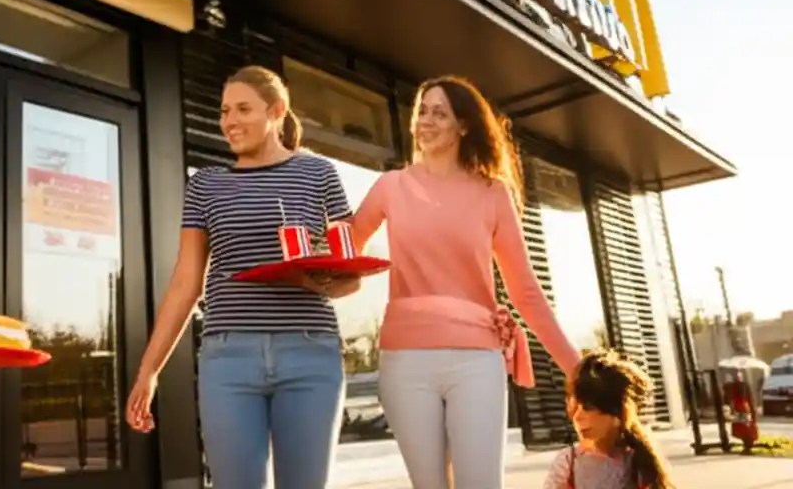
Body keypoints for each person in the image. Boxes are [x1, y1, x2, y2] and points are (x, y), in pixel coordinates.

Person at [125, 65, 359, 489]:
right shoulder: (205, 186)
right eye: (224, 111)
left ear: (276, 111)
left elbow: (350, 273)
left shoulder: (319, 174)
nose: (229, 121)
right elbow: (186, 281)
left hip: (309, 351)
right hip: (228, 358)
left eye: (243, 109)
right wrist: (150, 369)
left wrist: (310, 279)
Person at [351, 76, 582, 489]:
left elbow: (524, 289)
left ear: (463, 126)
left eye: (439, 112)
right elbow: (344, 247)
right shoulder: (391, 186)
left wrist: (575, 367)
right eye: (422, 110)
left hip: (476, 360)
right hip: (405, 360)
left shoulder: (493, 194)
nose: (425, 120)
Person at [543, 350, 674, 489]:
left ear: (617, 413)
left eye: (588, 408)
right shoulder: (568, 464)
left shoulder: (641, 461)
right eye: (574, 408)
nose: (578, 417)